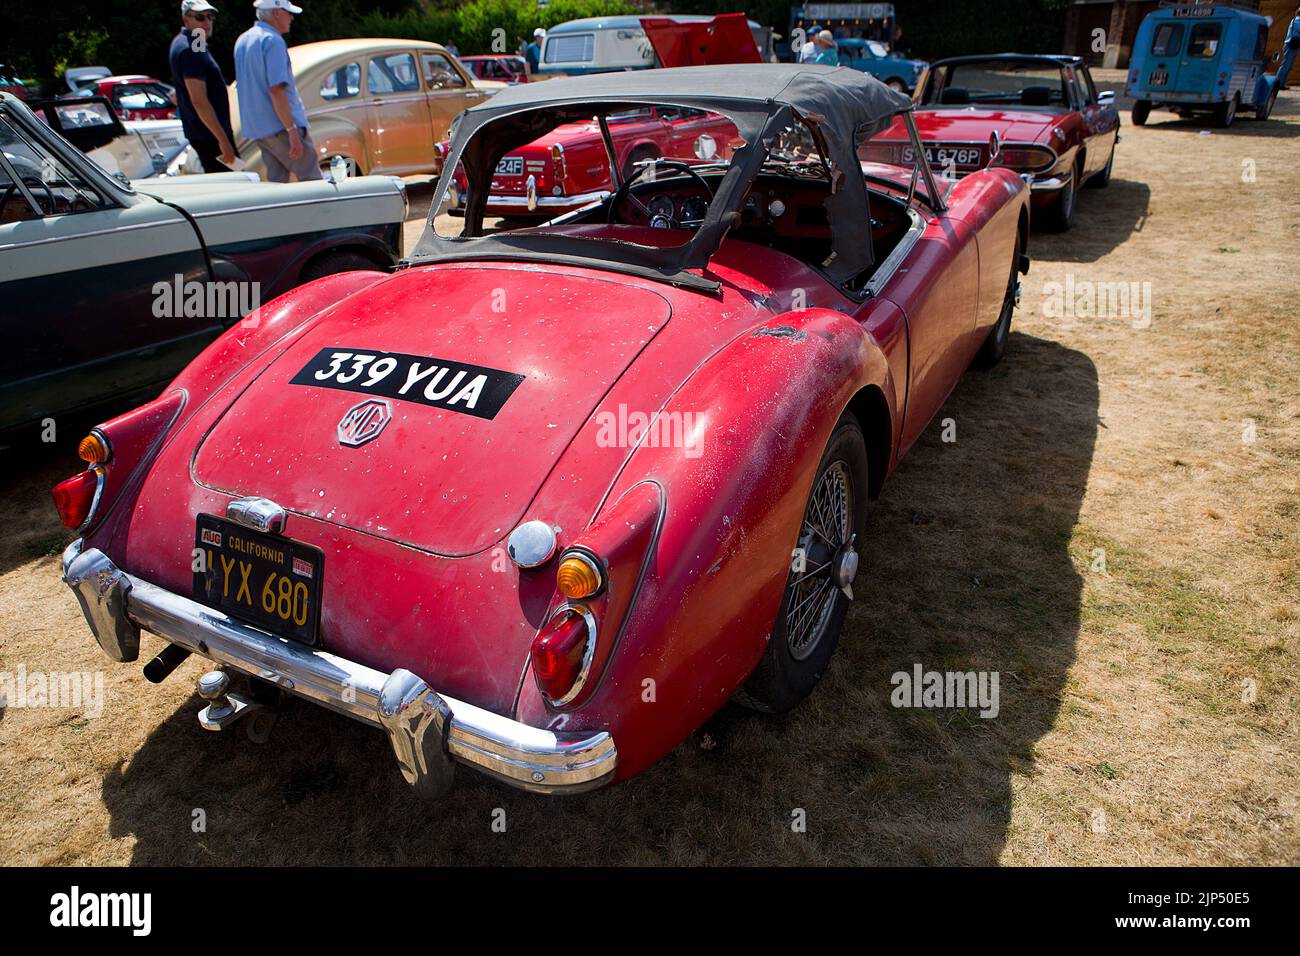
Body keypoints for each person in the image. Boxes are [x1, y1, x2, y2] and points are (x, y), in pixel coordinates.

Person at [233, 0, 321, 181]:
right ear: (276, 13)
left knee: (277, 184)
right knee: (312, 179)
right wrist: (292, 130)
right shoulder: (273, 41)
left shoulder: (243, 40)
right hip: (280, 126)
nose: (291, 17)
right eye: (288, 12)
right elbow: (276, 90)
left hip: (259, 129)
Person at [169, 0, 237, 172]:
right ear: (186, 19)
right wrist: (222, 140)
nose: (207, 22)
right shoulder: (188, 49)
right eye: (200, 17)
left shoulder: (197, 42)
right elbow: (199, 99)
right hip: (209, 135)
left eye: (210, 16)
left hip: (208, 132)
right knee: (234, 186)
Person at [1278, 6, 1300, 90]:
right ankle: (1278, 83)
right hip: (1290, 45)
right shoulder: (1297, 20)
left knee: (1288, 66)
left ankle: (1281, 83)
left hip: (1294, 46)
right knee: (1285, 65)